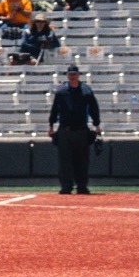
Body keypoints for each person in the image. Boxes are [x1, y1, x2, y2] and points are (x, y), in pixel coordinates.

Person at [48, 63, 102, 195]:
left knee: (82, 160)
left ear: (78, 76)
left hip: (81, 130)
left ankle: (82, 186)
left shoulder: (86, 91)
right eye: (70, 74)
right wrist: (51, 125)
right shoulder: (61, 92)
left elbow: (94, 108)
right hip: (65, 130)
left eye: (74, 74)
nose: (72, 77)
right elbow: (55, 110)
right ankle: (66, 186)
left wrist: (97, 124)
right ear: (67, 76)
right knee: (64, 160)